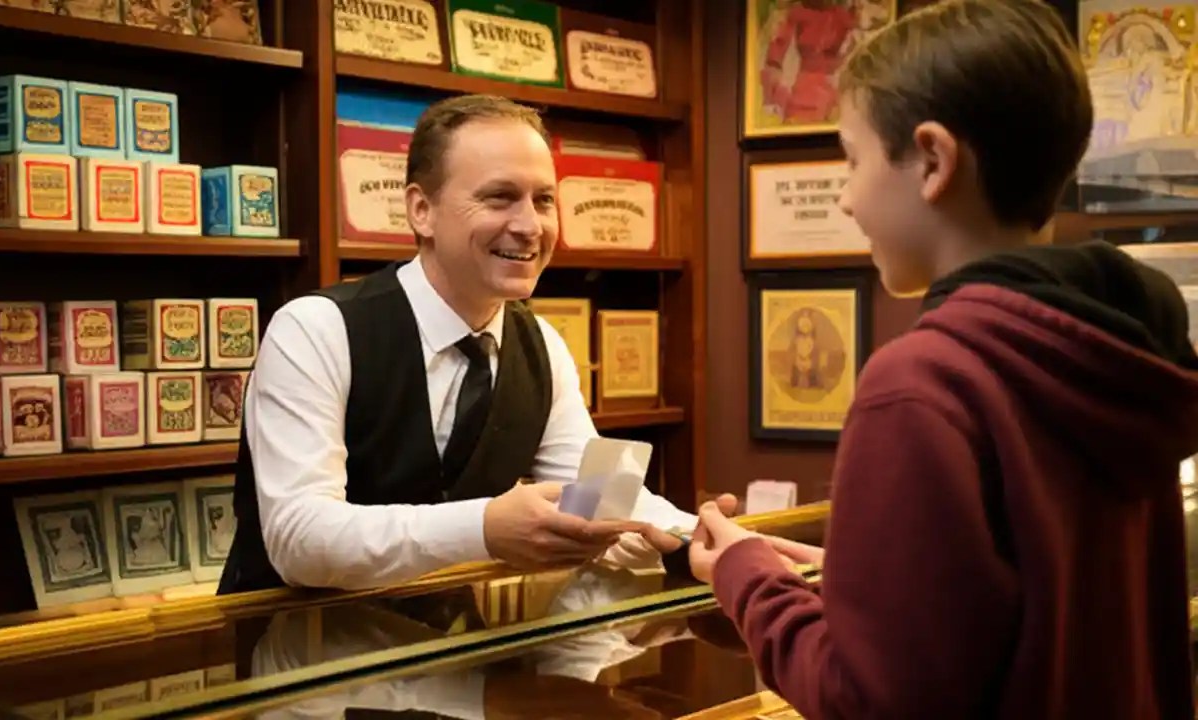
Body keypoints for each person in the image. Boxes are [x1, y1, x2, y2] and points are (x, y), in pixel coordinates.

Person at [689, 1, 1198, 718]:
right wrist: (859, 584)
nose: (845, 199)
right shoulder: (1128, 353)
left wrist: (746, 576)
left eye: (853, 159)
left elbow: (870, 701)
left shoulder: (922, 384)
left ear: (931, 160)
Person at [218, 94, 694, 595]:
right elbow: (299, 540)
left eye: (544, 199)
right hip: (285, 655)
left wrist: (704, 540)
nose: (530, 226)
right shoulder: (314, 329)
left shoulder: (543, 346)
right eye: (499, 197)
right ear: (421, 210)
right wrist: (484, 528)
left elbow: (599, 503)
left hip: (442, 656)